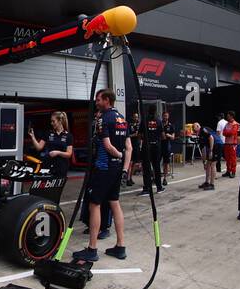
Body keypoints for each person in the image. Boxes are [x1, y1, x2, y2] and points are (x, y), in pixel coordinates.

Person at [73, 89, 129, 263]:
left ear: (107, 100)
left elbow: (108, 146)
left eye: (98, 100)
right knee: (114, 203)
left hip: (104, 167)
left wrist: (117, 156)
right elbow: (130, 147)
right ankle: (120, 246)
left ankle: (92, 249)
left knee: (94, 204)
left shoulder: (104, 119)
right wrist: (124, 167)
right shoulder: (122, 119)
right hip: (116, 169)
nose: (96, 103)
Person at [29, 111, 74, 177]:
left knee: (58, 187)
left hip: (62, 167)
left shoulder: (68, 136)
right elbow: (39, 147)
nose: (51, 123)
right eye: (51, 121)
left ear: (60, 121)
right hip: (48, 165)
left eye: (53, 121)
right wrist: (32, 136)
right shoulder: (48, 133)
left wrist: (58, 153)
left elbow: (69, 154)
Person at [138, 107, 163, 197]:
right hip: (156, 146)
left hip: (147, 147)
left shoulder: (144, 120)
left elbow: (139, 134)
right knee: (157, 167)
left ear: (148, 111)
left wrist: (145, 138)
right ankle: (159, 187)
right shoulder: (159, 121)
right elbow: (163, 135)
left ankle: (146, 188)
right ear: (155, 111)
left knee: (146, 168)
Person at [196, 122, 216, 190]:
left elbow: (211, 138)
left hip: (215, 145)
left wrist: (211, 151)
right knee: (208, 164)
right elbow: (203, 150)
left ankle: (212, 184)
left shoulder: (203, 130)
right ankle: (207, 182)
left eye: (194, 127)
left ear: (198, 126)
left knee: (212, 164)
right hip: (210, 146)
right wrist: (204, 162)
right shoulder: (200, 136)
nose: (193, 129)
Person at [160, 110, 175, 185]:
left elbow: (173, 137)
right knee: (156, 162)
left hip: (166, 146)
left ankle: (165, 178)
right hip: (159, 145)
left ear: (168, 117)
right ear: (162, 116)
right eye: (164, 116)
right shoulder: (159, 124)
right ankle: (155, 177)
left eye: (166, 116)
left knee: (166, 163)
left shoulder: (170, 126)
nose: (165, 117)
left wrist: (169, 135)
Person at [223, 111, 239, 178]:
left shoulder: (235, 124)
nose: (227, 116)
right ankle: (228, 171)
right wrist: (227, 133)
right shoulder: (227, 124)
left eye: (228, 115)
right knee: (227, 158)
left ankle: (233, 172)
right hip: (227, 143)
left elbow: (232, 132)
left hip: (233, 144)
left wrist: (227, 133)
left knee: (233, 158)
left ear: (232, 116)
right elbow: (223, 132)